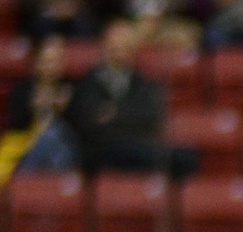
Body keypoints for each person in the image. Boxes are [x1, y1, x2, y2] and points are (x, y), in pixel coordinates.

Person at [64, 19, 197, 176]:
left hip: (138, 149)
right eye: (115, 42)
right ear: (104, 46)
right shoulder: (88, 82)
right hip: (102, 154)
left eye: (125, 42)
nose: (120, 47)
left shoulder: (142, 81)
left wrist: (115, 113)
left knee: (185, 156)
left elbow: (152, 116)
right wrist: (131, 119)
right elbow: (89, 124)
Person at [6, 36, 81, 172]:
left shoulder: (71, 90)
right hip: (26, 149)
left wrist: (65, 110)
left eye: (56, 61)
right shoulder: (22, 90)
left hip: (63, 152)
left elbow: (80, 132)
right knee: (48, 137)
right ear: (36, 63)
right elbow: (14, 127)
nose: (51, 67)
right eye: (47, 61)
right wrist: (32, 108)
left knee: (56, 134)